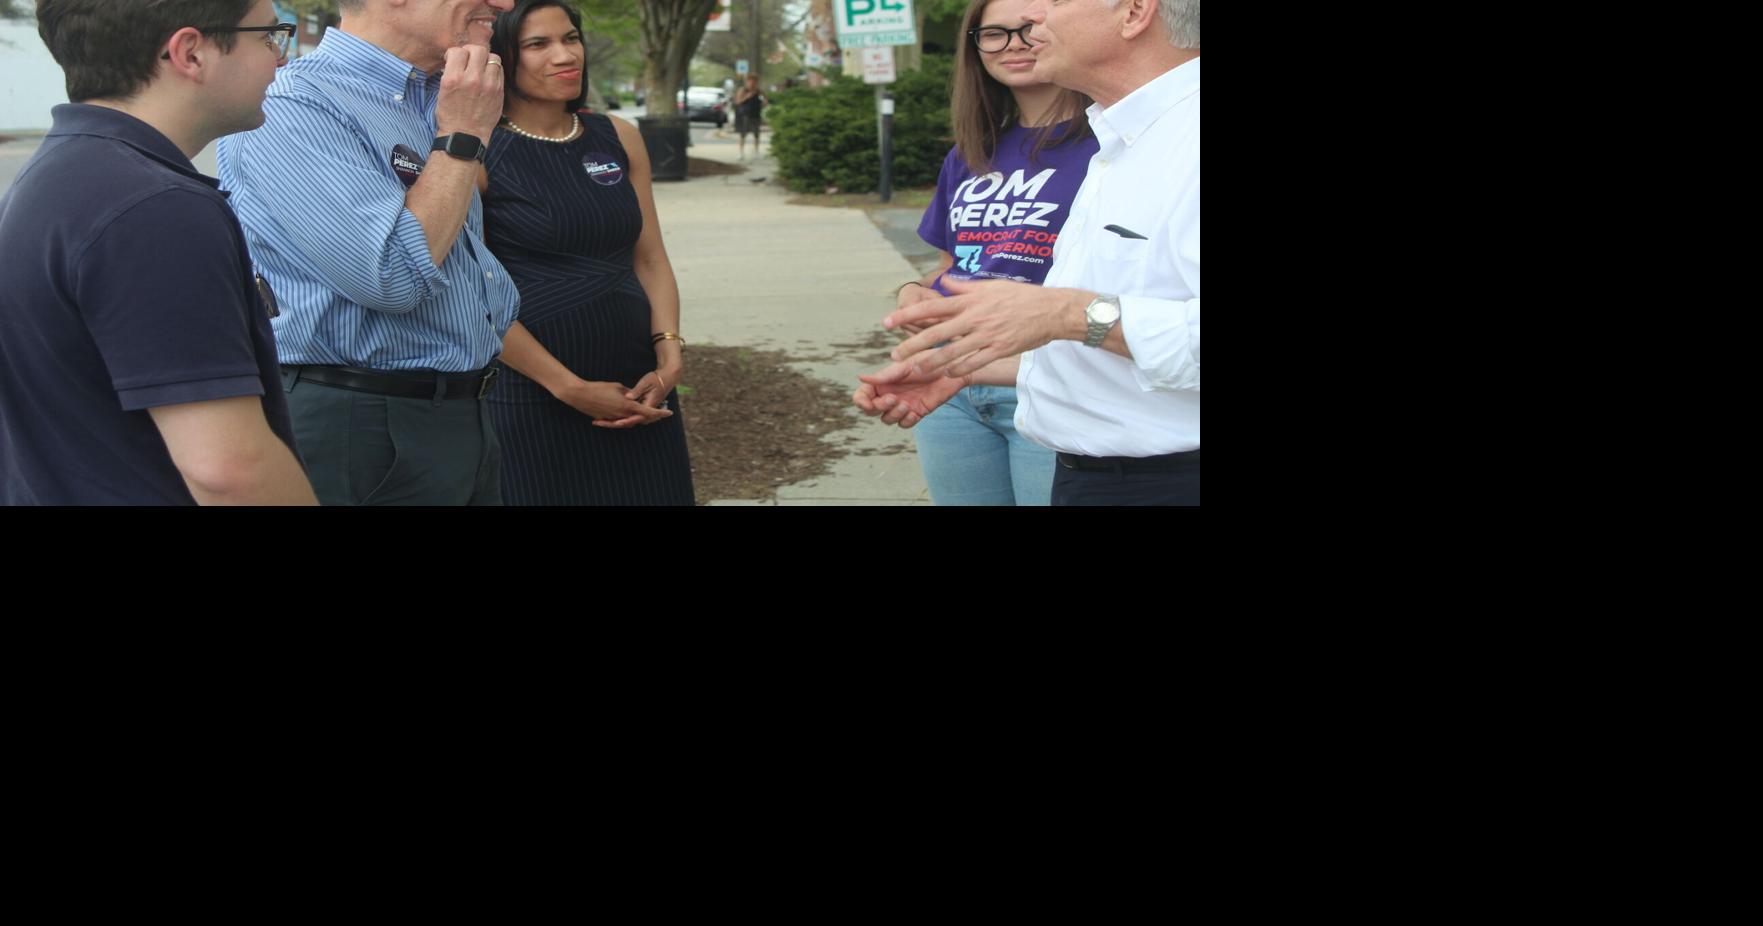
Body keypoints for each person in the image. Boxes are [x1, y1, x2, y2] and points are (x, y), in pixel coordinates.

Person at [855, 0, 1200, 506]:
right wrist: (962, 369)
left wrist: (1066, 312)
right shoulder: (1123, 144)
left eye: (1056, 2)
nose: (1036, 21)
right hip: (1086, 470)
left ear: (1133, 12)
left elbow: (1076, 316)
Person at [0, 0, 316, 506]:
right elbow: (229, 471)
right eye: (268, 37)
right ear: (191, 52)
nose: (280, 61)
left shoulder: (61, 176)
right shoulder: (154, 208)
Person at [217, 0, 520, 506]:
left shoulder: (438, 96)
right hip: (361, 422)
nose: (505, 3)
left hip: (461, 413)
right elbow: (393, 276)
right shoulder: (295, 102)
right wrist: (462, 136)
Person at [479, 0, 694, 505]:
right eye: (538, 44)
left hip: (642, 387)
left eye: (570, 38)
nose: (564, 55)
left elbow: (650, 258)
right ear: (501, 57)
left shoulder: (618, 136)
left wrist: (670, 352)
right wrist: (568, 387)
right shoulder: (478, 151)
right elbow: (475, 292)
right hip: (533, 393)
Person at [894, 0, 1096, 506]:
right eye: (995, 34)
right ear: (975, 49)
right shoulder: (970, 151)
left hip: (1048, 384)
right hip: (951, 387)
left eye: (1028, 29)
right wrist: (912, 292)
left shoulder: (1108, 145)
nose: (1013, 45)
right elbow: (952, 265)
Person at [733, 73, 766, 160]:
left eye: (755, 82)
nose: (753, 84)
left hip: (755, 115)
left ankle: (756, 152)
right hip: (745, 115)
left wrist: (764, 103)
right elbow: (737, 102)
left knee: (756, 134)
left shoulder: (758, 91)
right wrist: (747, 97)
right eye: (751, 81)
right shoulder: (742, 90)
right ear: (747, 82)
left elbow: (765, 100)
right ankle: (740, 153)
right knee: (743, 135)